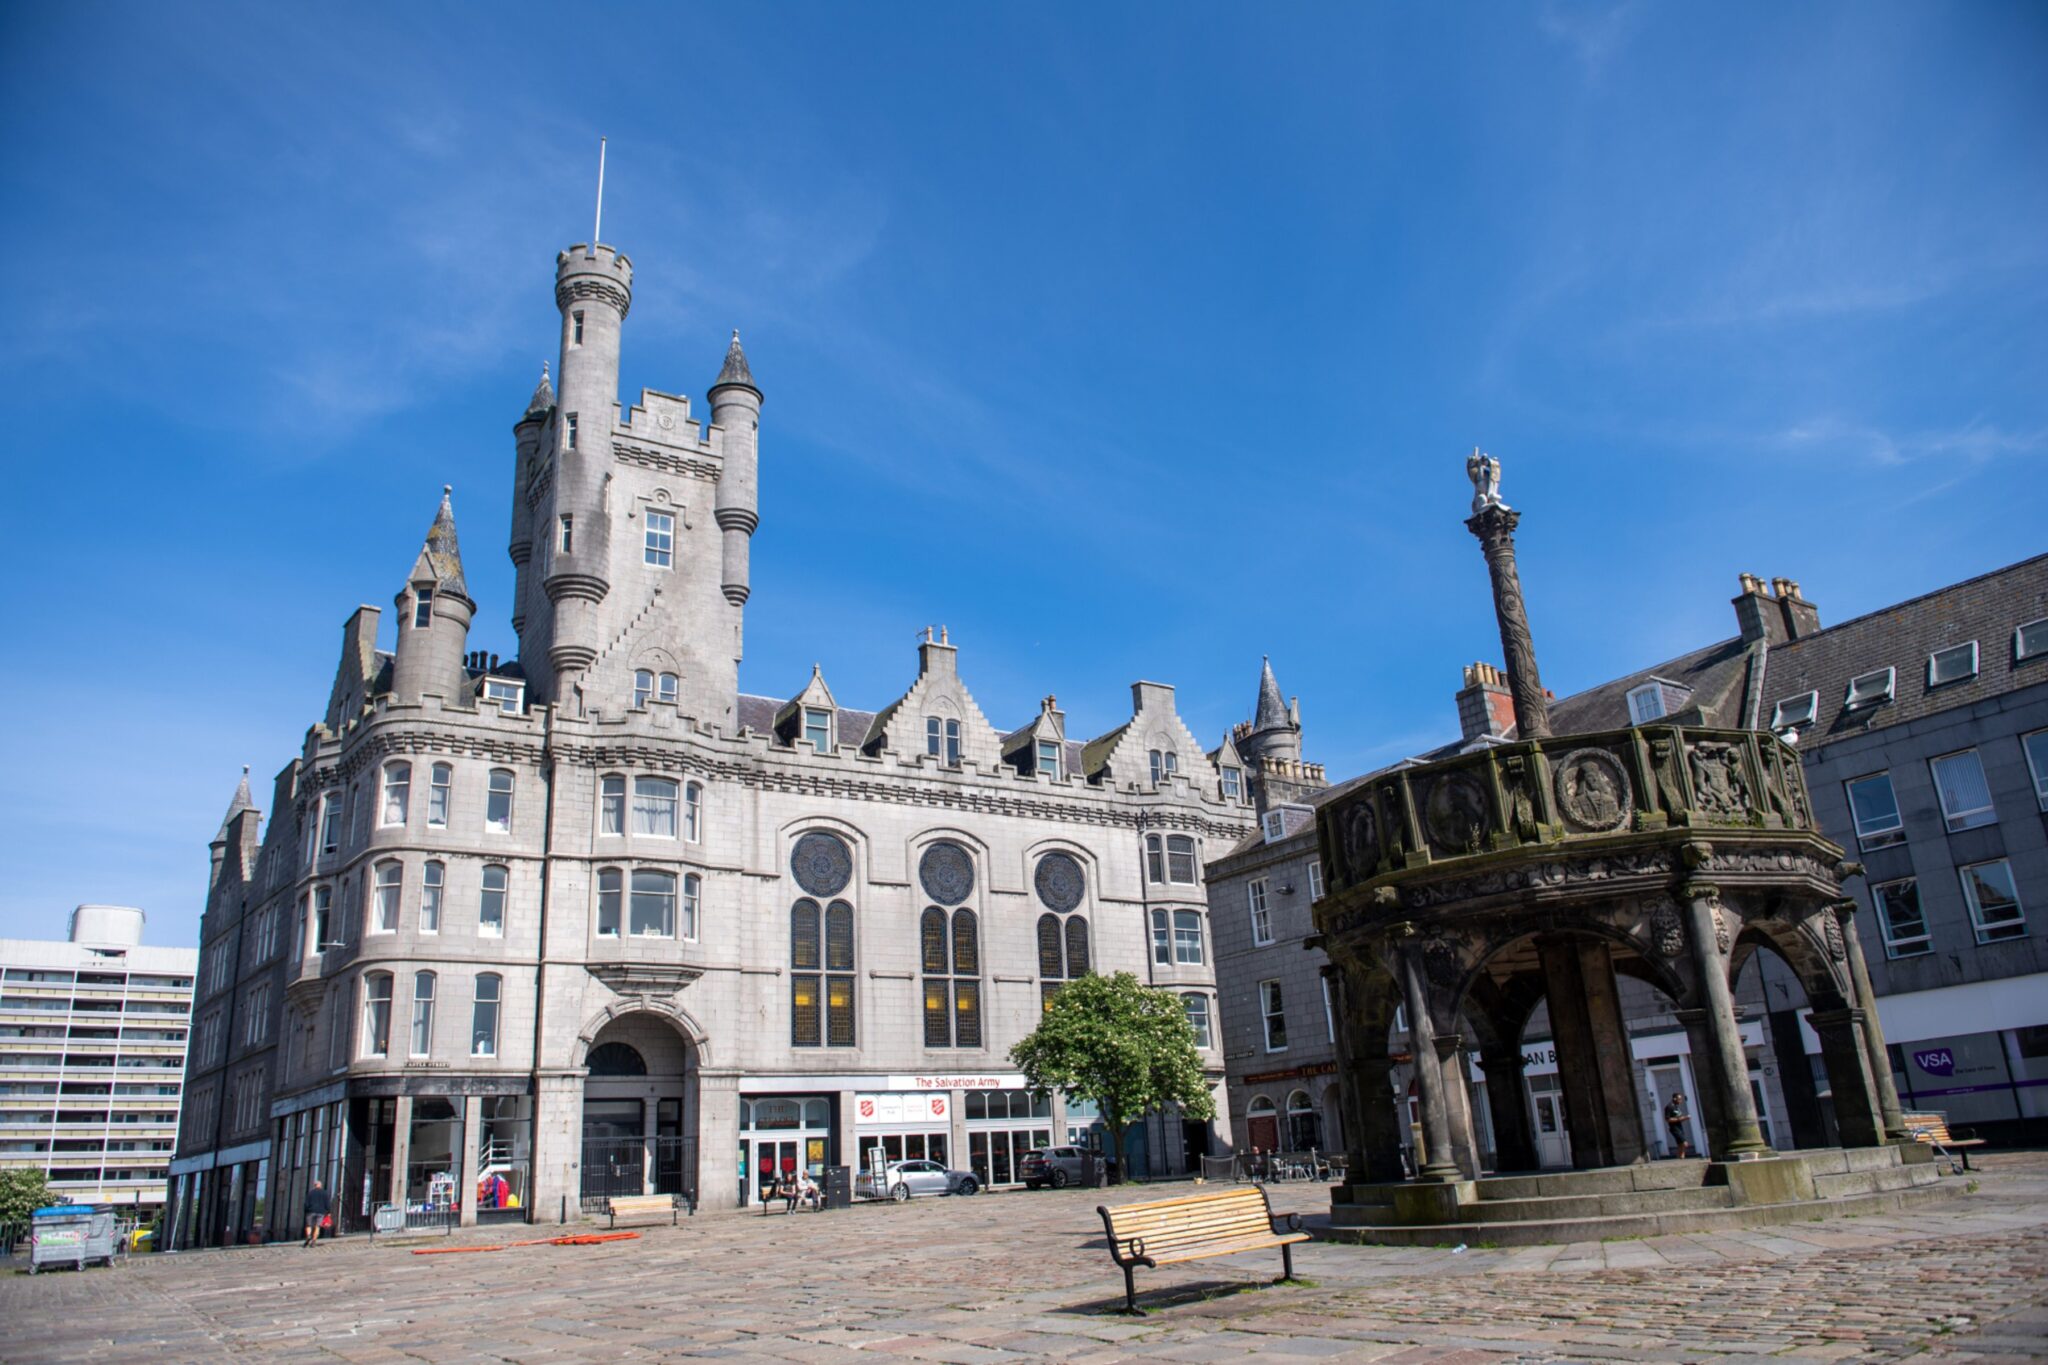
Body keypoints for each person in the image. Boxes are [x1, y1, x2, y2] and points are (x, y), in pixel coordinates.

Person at [302, 1177, 331, 1248]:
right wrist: (328, 1211)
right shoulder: (324, 1193)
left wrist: (306, 1210)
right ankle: (314, 1241)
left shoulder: (310, 1193)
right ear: (320, 1185)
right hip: (321, 1212)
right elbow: (327, 1203)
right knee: (317, 1226)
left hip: (311, 1211)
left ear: (314, 1185)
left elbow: (306, 1203)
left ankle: (309, 1236)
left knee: (308, 1225)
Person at [1664, 1092, 1693, 1159]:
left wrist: (1684, 1118)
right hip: (1674, 1128)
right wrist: (1681, 1119)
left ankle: (1680, 1158)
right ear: (1674, 1099)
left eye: (1681, 1099)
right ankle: (1681, 1157)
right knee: (1684, 1143)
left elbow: (1679, 1116)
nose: (1680, 1101)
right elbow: (1667, 1119)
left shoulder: (1676, 1107)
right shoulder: (1669, 1107)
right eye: (1679, 1099)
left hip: (1679, 1127)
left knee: (1680, 1144)